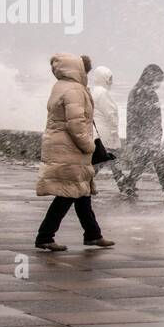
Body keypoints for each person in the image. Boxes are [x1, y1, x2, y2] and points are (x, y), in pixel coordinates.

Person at [34, 53, 115, 251]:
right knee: (67, 194)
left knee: (81, 193)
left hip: (62, 145)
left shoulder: (61, 86)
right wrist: (89, 145)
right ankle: (45, 236)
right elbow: (76, 123)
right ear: (77, 69)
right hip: (70, 149)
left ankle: (93, 235)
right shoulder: (74, 90)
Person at [120, 63, 164, 199]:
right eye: (158, 80)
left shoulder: (139, 90)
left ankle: (129, 185)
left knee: (143, 161)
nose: (159, 84)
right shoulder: (144, 92)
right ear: (150, 77)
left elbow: (138, 116)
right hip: (145, 135)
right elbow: (143, 116)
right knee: (156, 161)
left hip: (142, 134)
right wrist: (150, 135)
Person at [86, 63, 127, 184]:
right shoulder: (103, 93)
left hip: (97, 131)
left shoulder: (93, 92)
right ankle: (84, 183)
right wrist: (114, 131)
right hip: (105, 133)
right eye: (109, 78)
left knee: (107, 160)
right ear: (103, 78)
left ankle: (124, 186)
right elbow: (111, 114)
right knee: (107, 159)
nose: (111, 82)